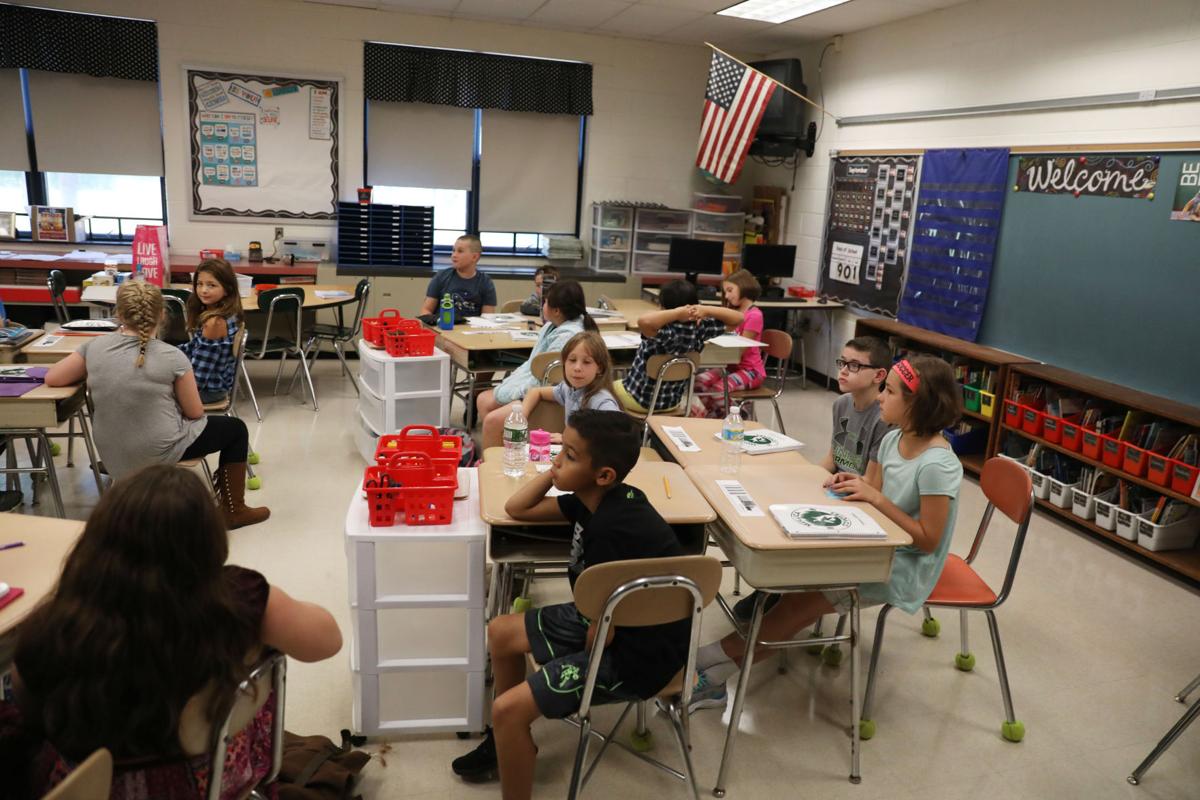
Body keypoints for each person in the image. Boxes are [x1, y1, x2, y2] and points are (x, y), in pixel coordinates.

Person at [9, 465, 342, 799]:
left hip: (90, 788)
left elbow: (30, 710)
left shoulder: (54, 630)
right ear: (208, 541)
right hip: (214, 776)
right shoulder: (239, 600)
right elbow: (327, 641)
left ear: (98, 538)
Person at [689, 355, 963, 711]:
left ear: (918, 404)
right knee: (793, 591)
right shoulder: (893, 439)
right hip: (871, 544)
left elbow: (928, 540)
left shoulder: (938, 465)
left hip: (900, 566)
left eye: (890, 391)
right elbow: (872, 489)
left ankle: (709, 662)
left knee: (798, 605)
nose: (881, 397)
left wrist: (875, 497)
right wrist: (856, 483)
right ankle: (719, 668)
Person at [450, 410, 687, 798]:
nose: (557, 459)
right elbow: (517, 509)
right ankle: (503, 745)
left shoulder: (612, 529)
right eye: (561, 449)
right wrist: (558, 471)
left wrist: (559, 664)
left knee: (508, 709)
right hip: (609, 619)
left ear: (604, 475)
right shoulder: (592, 500)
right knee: (501, 631)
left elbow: (601, 637)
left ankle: (509, 742)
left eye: (570, 455)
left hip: (637, 656)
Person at [44, 281, 269, 528]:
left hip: (112, 453)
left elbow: (53, 378)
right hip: (158, 451)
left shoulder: (94, 347)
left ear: (118, 314)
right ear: (162, 314)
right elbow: (194, 412)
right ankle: (234, 510)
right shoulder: (172, 356)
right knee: (235, 429)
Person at [733, 335, 893, 621]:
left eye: (855, 366)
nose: (843, 370)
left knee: (797, 528)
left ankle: (778, 595)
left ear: (879, 375)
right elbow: (832, 458)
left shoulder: (883, 421)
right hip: (836, 488)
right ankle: (774, 590)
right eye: (842, 362)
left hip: (858, 500)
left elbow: (872, 484)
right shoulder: (842, 404)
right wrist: (805, 479)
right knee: (774, 502)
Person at [479, 280, 598, 448]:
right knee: (483, 400)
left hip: (551, 398)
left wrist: (514, 392)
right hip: (541, 390)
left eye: (546, 302)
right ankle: (501, 449)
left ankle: (500, 455)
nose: (543, 305)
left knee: (492, 420)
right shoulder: (554, 327)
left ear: (556, 311)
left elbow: (544, 381)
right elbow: (532, 367)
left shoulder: (567, 337)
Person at [614, 279, 743, 414]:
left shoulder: (664, 330)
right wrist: (705, 309)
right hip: (672, 403)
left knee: (607, 387)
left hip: (641, 401)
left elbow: (643, 321)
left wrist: (676, 313)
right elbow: (738, 318)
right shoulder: (701, 328)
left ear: (662, 306)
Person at [519, 331, 620, 442]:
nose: (577, 368)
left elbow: (613, 438)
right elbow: (536, 392)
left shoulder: (603, 402)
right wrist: (520, 418)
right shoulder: (568, 389)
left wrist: (565, 438)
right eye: (572, 360)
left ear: (599, 368)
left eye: (586, 362)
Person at [690, 270, 765, 418]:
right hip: (730, 367)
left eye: (730, 290)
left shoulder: (754, 315)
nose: (727, 296)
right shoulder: (731, 313)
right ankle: (718, 415)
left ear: (744, 287)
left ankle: (738, 418)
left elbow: (739, 351)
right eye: (725, 292)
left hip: (751, 371)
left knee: (719, 388)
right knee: (698, 383)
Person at [179, 257, 244, 404]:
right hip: (216, 385)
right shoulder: (229, 312)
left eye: (211, 285)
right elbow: (193, 347)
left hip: (208, 391)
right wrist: (165, 353)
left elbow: (199, 377)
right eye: (199, 284)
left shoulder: (214, 323)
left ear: (227, 289)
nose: (203, 290)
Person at [420, 234, 497, 321]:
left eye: (460, 251)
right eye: (453, 251)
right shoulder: (441, 277)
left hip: (471, 331)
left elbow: (488, 318)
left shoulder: (485, 282)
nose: (454, 255)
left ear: (474, 257)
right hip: (443, 329)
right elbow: (426, 310)